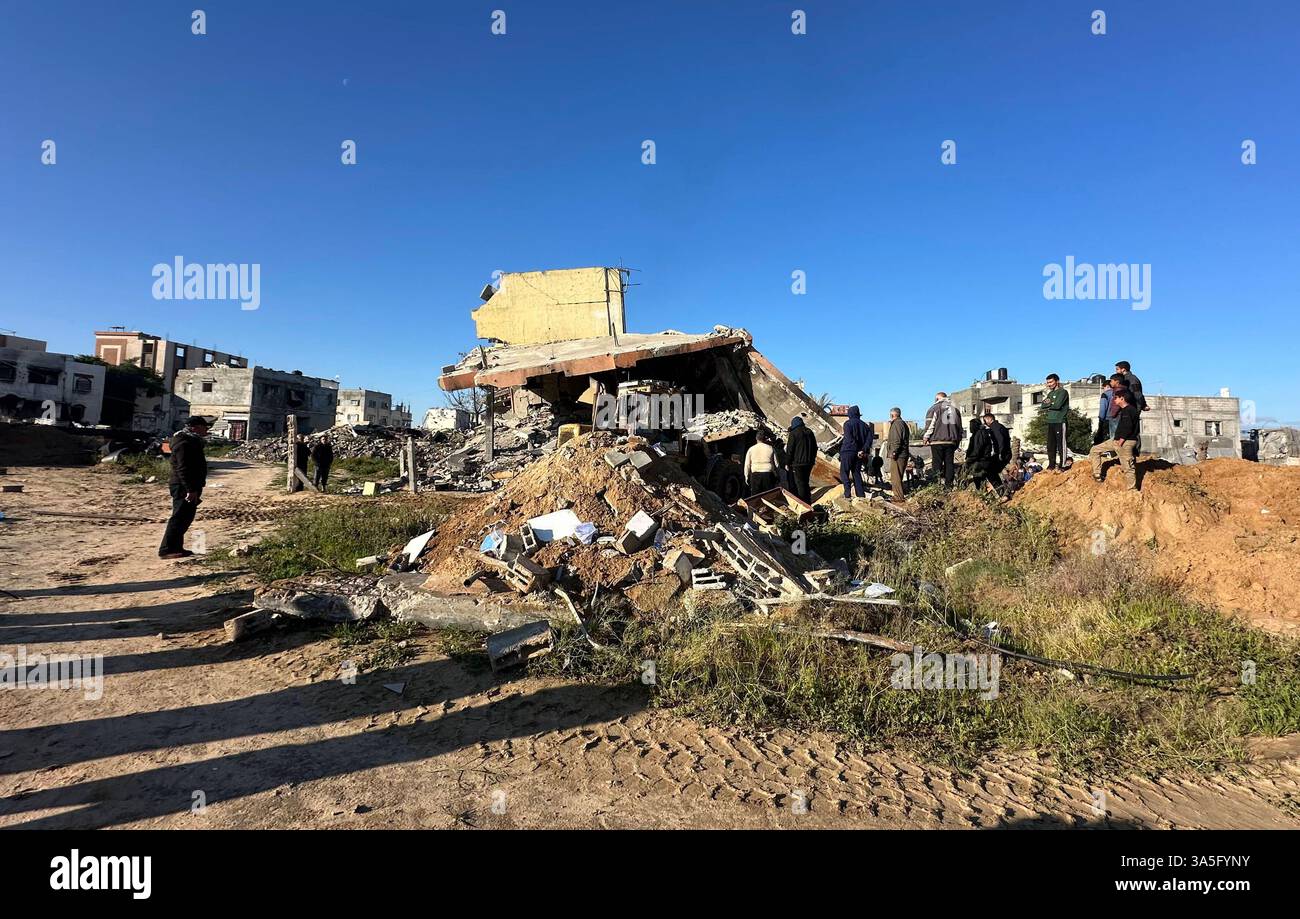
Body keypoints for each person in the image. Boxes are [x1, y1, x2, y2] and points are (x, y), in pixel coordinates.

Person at [158, 415, 209, 559]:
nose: (206, 429)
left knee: (186, 517)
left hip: (189, 485)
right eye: (204, 426)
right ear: (195, 428)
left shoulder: (191, 441)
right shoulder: (183, 443)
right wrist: (190, 489)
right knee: (179, 517)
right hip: (183, 486)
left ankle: (176, 547)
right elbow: (183, 468)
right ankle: (167, 549)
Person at [1088, 391, 1141, 490]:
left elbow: (1128, 427)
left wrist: (1121, 440)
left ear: (1122, 398)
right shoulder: (1125, 410)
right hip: (1116, 440)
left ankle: (1132, 490)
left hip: (1125, 442)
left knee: (1128, 467)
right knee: (1095, 450)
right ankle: (1097, 475)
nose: (1114, 399)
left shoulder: (1129, 410)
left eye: (1116, 397)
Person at [922, 391, 962, 488]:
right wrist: (958, 440)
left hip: (937, 440)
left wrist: (926, 437)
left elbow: (930, 425)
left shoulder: (934, 409)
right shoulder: (955, 410)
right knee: (949, 463)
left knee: (937, 463)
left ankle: (937, 485)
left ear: (936, 399)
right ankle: (949, 485)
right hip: (951, 441)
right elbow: (959, 427)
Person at [839, 405, 873, 500]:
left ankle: (847, 495)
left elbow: (849, 438)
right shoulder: (866, 426)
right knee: (856, 474)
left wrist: (856, 449)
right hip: (859, 454)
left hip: (848, 452)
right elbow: (869, 440)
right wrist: (862, 450)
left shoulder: (847, 424)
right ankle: (861, 495)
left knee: (844, 473)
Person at [784, 415, 817, 504]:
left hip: (798, 464)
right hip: (809, 463)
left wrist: (787, 462)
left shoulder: (794, 433)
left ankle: (803, 503)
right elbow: (815, 447)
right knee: (806, 482)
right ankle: (808, 501)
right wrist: (812, 459)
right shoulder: (809, 432)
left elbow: (790, 450)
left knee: (800, 484)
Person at [1041, 373, 1070, 471]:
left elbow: (1057, 405)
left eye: (1051, 382)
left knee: (1061, 444)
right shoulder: (1050, 393)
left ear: (1057, 381)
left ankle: (1063, 464)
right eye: (1048, 382)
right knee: (1050, 445)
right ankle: (1051, 464)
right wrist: (1050, 403)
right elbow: (1042, 405)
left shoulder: (1063, 392)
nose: (1049, 384)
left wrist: (1050, 404)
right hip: (1050, 421)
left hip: (1060, 420)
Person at [743, 428, 779, 496]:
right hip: (768, 474)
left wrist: (746, 477)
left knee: (755, 497)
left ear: (756, 439)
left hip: (755, 474)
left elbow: (747, 465)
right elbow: (777, 464)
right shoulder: (770, 448)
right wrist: (777, 475)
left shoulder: (751, 449)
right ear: (765, 439)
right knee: (769, 496)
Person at [885, 407, 910, 503]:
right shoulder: (902, 423)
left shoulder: (897, 424)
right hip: (902, 454)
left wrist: (894, 452)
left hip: (899, 455)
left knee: (896, 477)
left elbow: (897, 440)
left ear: (892, 415)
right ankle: (900, 494)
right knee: (898, 476)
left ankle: (898, 497)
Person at [1094, 380, 1113, 446]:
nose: (1103, 390)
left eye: (1103, 388)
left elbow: (1103, 408)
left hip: (1106, 419)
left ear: (1107, 386)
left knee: (1103, 438)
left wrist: (1101, 419)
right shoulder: (1118, 393)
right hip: (1116, 419)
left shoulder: (1105, 394)